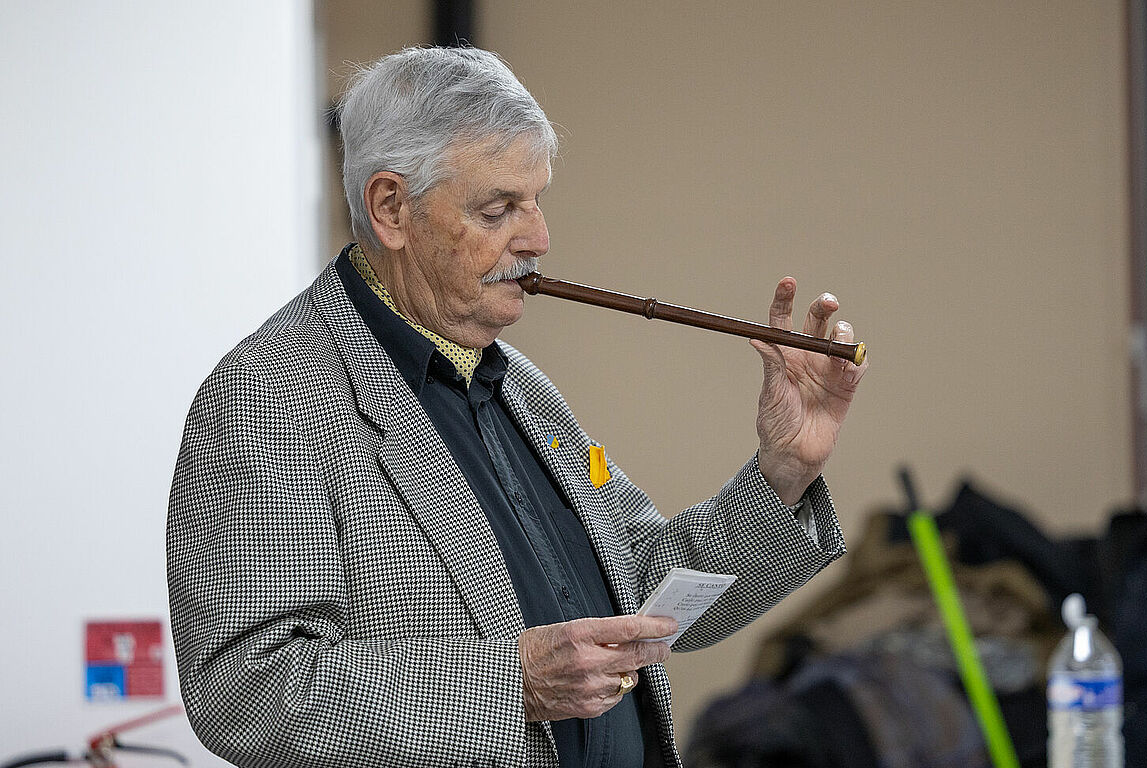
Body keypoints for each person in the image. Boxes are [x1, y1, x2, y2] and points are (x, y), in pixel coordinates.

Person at [166, 47, 868, 768]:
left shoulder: (520, 385)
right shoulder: (269, 394)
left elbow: (647, 586)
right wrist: (514, 685)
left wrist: (784, 469)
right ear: (390, 209)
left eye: (536, 201)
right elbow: (244, 690)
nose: (538, 240)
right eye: (498, 209)